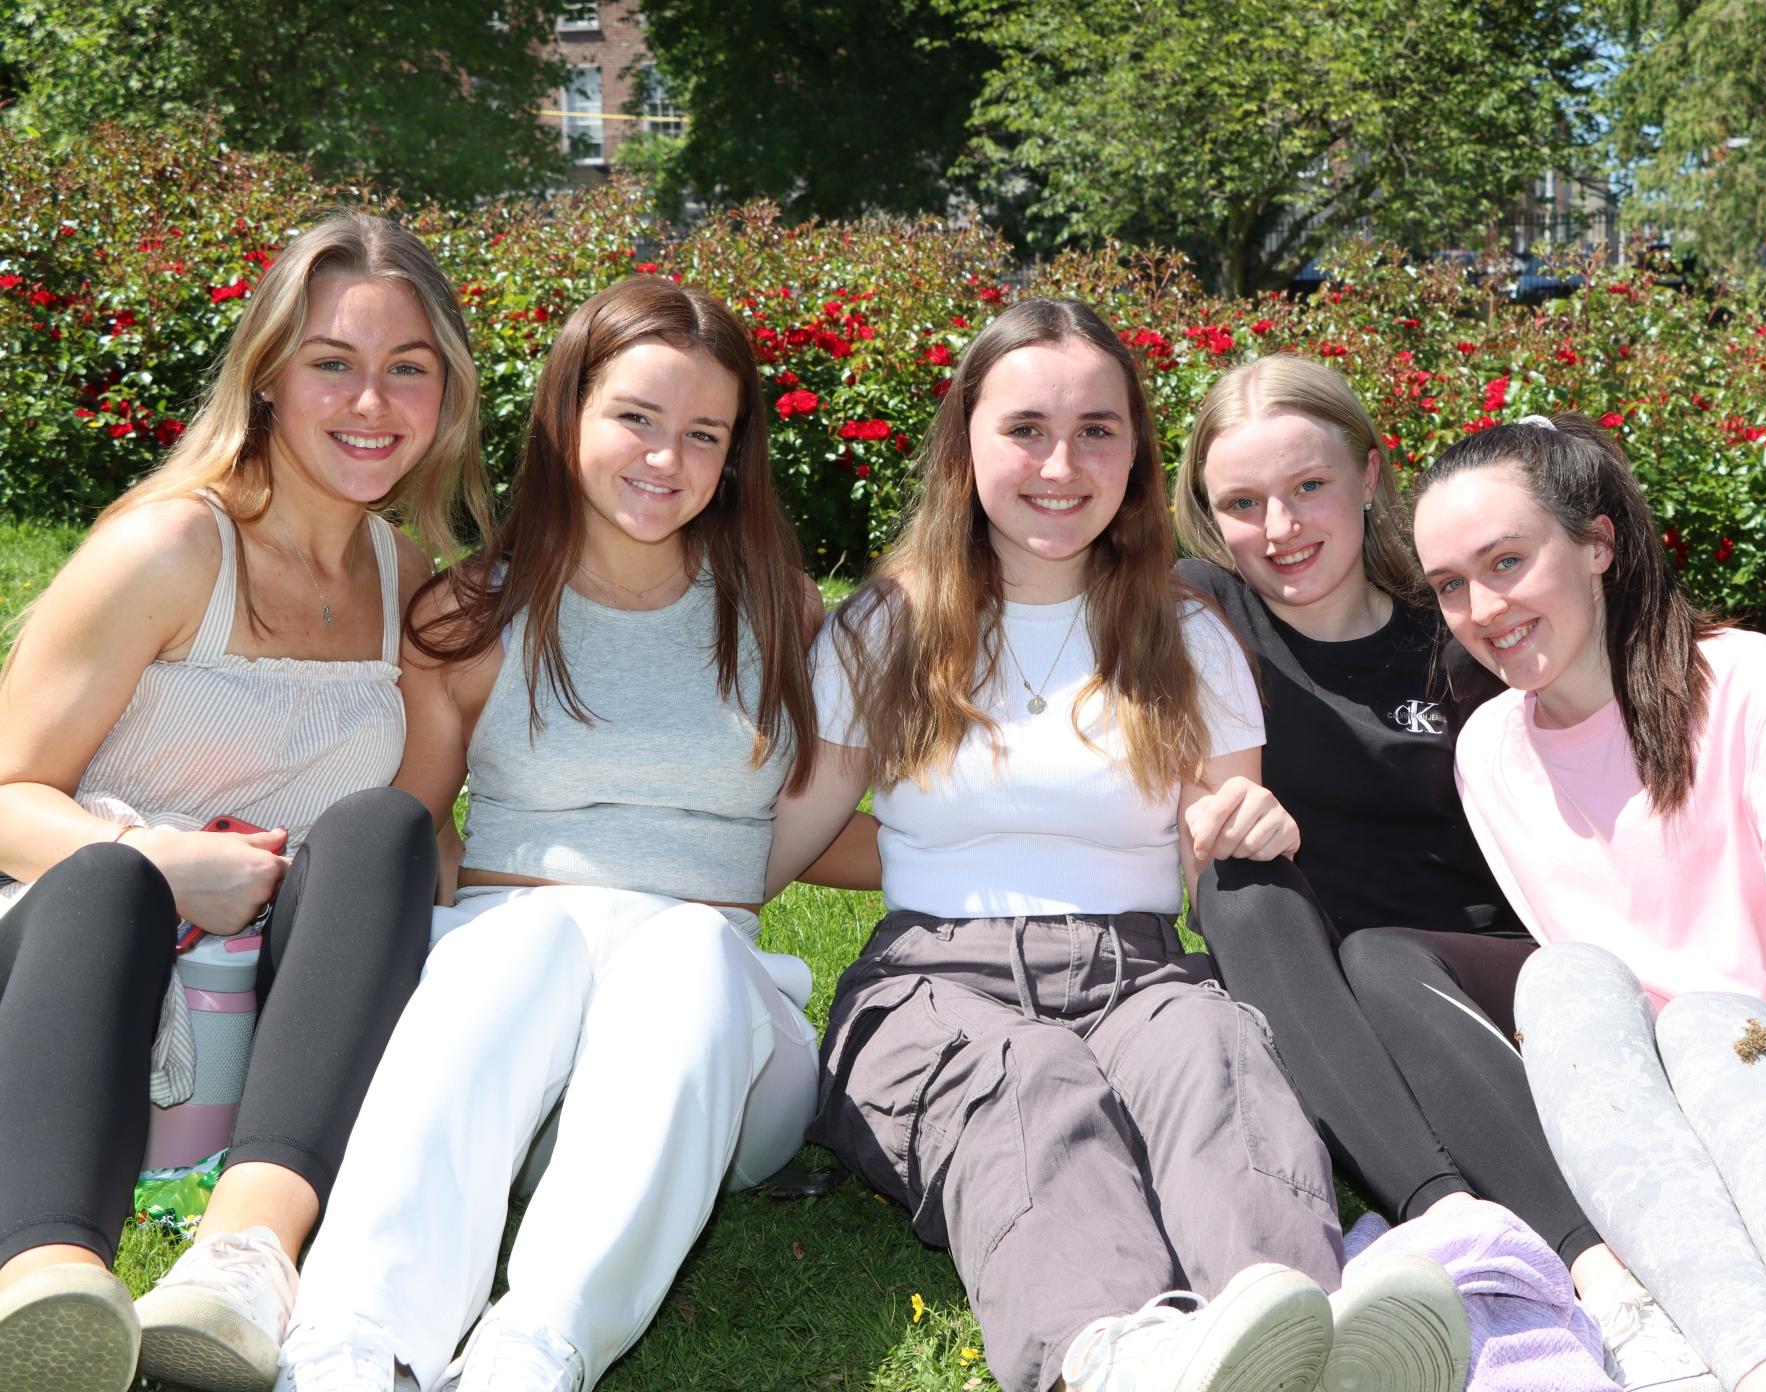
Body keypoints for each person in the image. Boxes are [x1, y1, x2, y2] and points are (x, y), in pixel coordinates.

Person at [764, 299, 1469, 1392]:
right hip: (931, 985)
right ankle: (1122, 1357)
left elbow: (1218, 845)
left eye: (1098, 428)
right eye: (1026, 428)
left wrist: (1255, 824)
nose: (1062, 462)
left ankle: (1303, 1336)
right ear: (965, 444)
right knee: (1030, 1084)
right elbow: (787, 841)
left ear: (1137, 454)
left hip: (1140, 972)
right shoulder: (888, 626)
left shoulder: (1186, 636)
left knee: (1214, 1059)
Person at [274, 276, 830, 1392]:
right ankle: (354, 1348)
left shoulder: (781, 611)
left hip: (719, 1043)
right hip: (513, 1023)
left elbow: (828, 827)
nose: (665, 459)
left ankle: (537, 1352)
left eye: (703, 434)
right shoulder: (477, 611)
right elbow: (421, 828)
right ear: (568, 412)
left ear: (735, 454)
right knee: (522, 939)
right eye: (636, 417)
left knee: (682, 953)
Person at [0, 212, 475, 1392]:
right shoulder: (169, 551)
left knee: (384, 833)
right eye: (334, 362)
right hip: (74, 952)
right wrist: (158, 859)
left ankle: (243, 1256)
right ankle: (44, 1281)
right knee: (108, 883)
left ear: (445, 396)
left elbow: (413, 837)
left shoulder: (405, 584)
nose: (373, 402)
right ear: (268, 376)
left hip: (264, 997)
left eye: (407, 368)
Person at [1410, 412, 1766, 1392]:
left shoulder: (1743, 686)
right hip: (1680, 1122)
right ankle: (1765, 1371)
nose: (1482, 607)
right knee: (1560, 982)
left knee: (1709, 1029)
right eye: (1449, 586)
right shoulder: (1490, 754)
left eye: (1507, 560)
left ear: (1597, 543)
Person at [1170, 357, 1650, 1377]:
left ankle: (1596, 1264)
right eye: (1243, 503)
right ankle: (1452, 1221)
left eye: (1309, 487)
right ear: (1209, 517)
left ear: (1372, 475)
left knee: (1388, 957)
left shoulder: (1460, 632)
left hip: (1466, 981)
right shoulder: (1204, 610)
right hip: (1313, 1005)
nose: (1282, 528)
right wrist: (1229, 800)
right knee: (1238, 887)